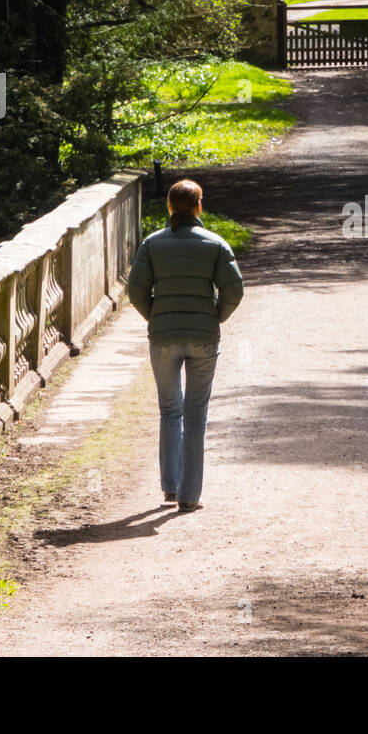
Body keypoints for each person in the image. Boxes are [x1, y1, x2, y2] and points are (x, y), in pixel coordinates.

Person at [127, 179, 243, 513]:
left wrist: (156, 316)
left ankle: (170, 485)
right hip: (204, 338)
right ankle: (189, 496)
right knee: (195, 415)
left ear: (169, 206)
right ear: (198, 205)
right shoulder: (216, 244)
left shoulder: (152, 244)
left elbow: (136, 290)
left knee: (169, 409)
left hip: (163, 337)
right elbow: (234, 290)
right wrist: (215, 317)